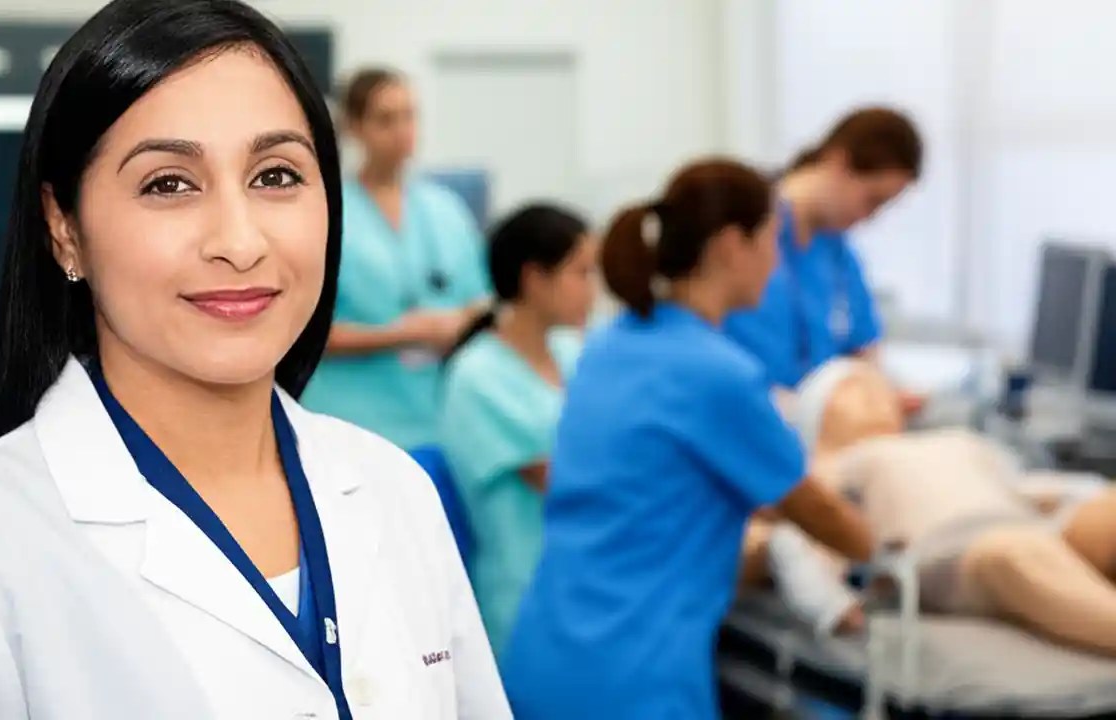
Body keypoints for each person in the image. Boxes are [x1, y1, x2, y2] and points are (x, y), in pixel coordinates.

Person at [0, 2, 511, 718]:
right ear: (64, 228)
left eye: (276, 175)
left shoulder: (396, 491)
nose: (240, 241)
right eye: (168, 184)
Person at [500, 159, 873, 719]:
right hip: (633, 686)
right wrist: (891, 551)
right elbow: (819, 513)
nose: (776, 262)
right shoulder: (717, 373)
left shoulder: (609, 345)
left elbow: (660, 490)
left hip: (543, 662)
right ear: (731, 245)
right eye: (771, 240)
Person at [751, 358, 1116, 657]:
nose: (876, 395)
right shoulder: (835, 465)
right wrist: (833, 608)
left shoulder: (951, 440)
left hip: (1030, 524)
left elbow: (1028, 486)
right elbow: (795, 539)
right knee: (1013, 552)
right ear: (817, 415)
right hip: (955, 556)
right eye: (854, 390)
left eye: (878, 388)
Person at [300, 67, 490, 449]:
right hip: (350, 421)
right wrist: (401, 334)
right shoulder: (326, 211)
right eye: (386, 119)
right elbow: (304, 333)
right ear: (354, 127)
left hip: (437, 421)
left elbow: (482, 301)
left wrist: (457, 324)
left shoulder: (445, 209)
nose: (402, 130)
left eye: (409, 116)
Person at [439, 204, 597, 659]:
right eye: (581, 273)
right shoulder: (478, 377)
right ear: (534, 278)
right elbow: (566, 479)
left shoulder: (570, 351)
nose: (593, 290)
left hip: (589, 582)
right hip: (530, 598)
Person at [724, 107, 923, 395]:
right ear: (837, 160)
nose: (870, 217)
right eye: (872, 200)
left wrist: (880, 394)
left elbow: (863, 348)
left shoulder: (838, 256)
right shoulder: (743, 234)